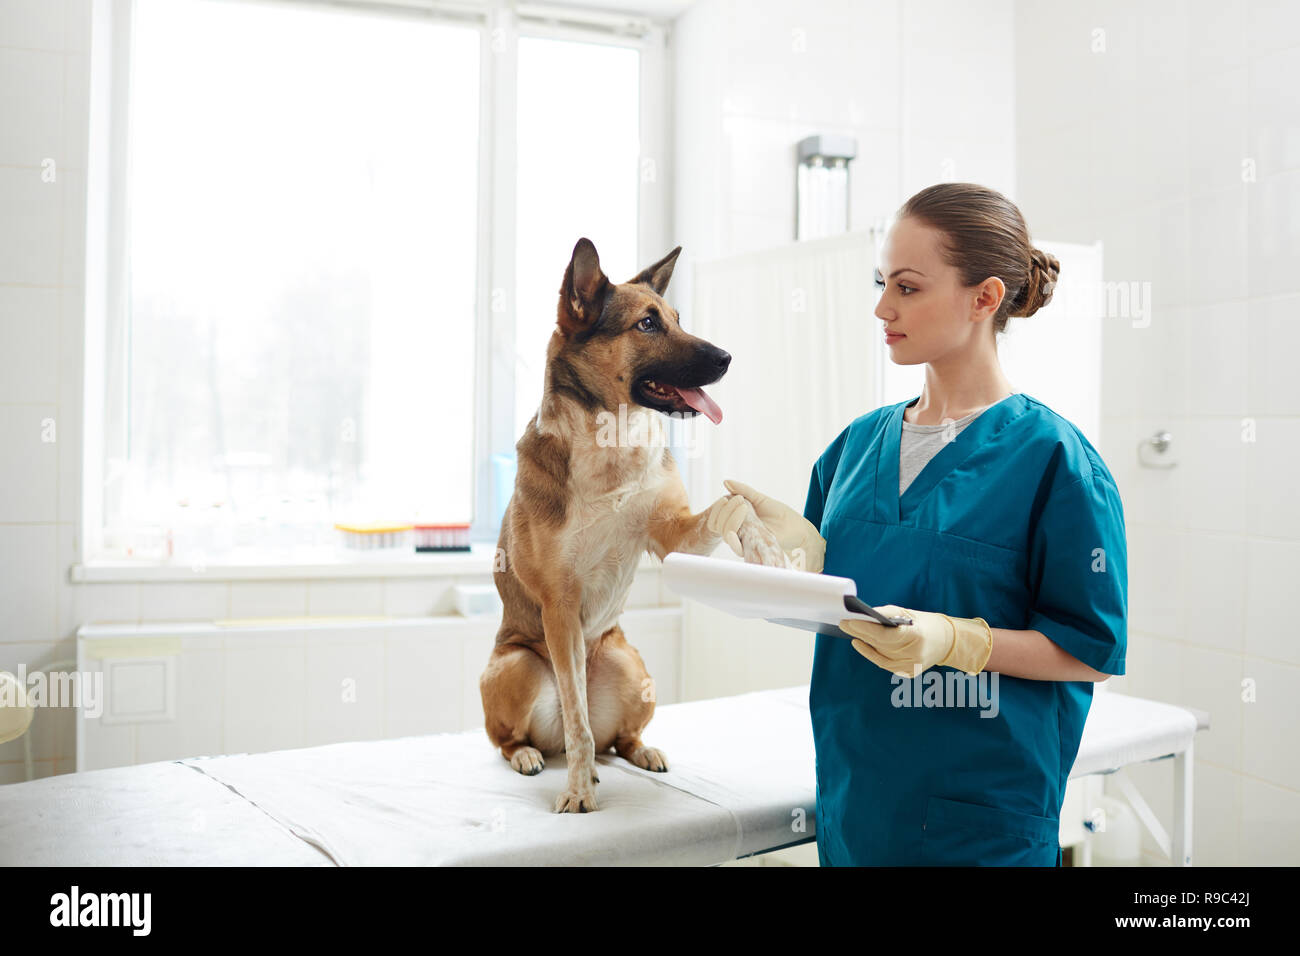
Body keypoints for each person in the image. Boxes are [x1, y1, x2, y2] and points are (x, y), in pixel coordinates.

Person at [725, 182, 1128, 866]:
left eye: (907, 288)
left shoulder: (1054, 460)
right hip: (858, 805)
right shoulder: (856, 447)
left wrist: (956, 642)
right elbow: (845, 604)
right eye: (882, 283)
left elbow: (1090, 648)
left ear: (985, 298)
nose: (882, 308)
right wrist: (798, 568)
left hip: (979, 825)